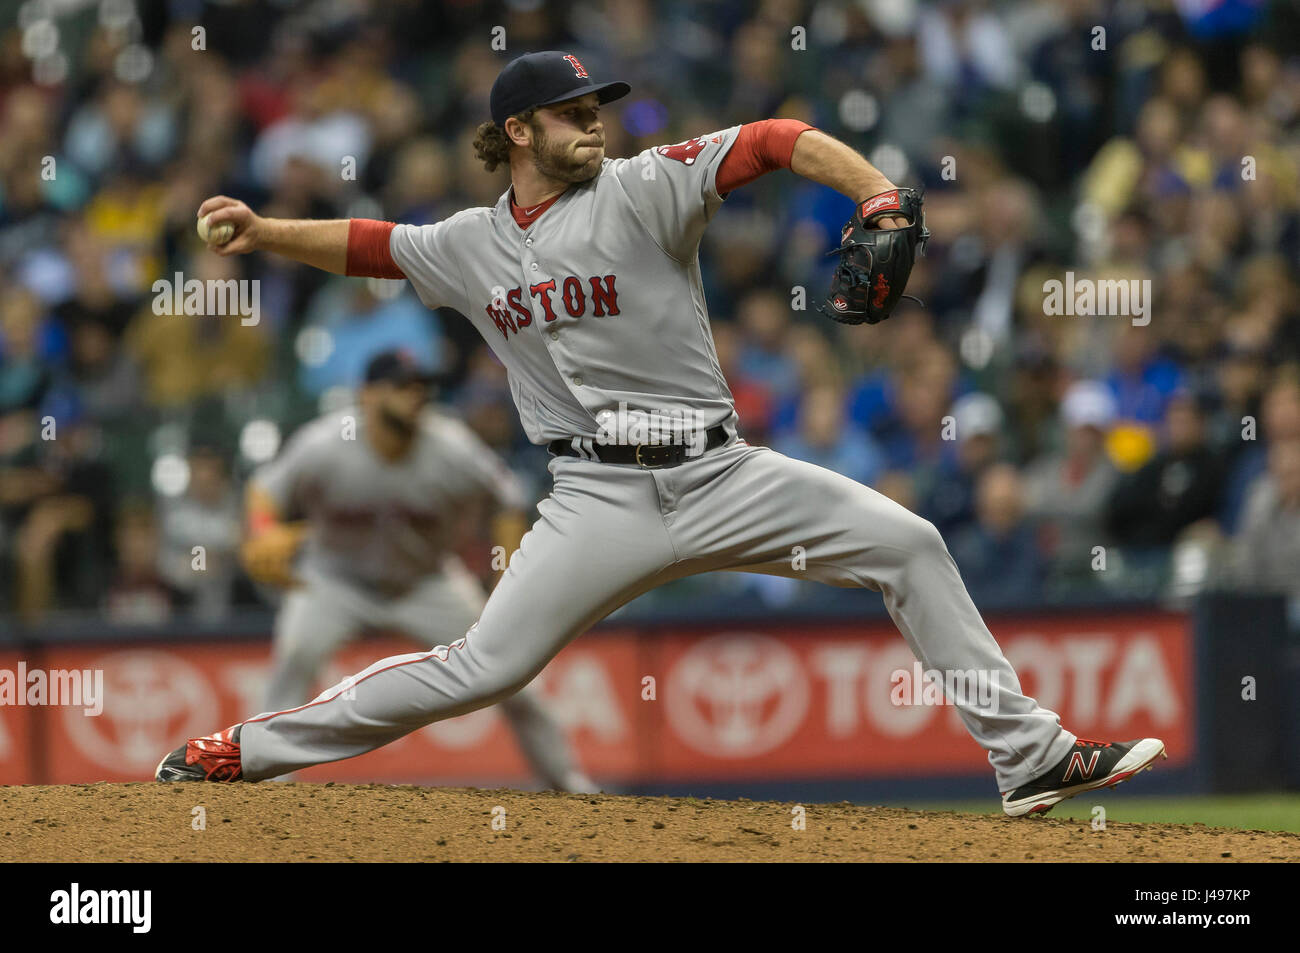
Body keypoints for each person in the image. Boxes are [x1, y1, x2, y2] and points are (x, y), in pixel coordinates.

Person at [156, 51, 1164, 817]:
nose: (595, 122)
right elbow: (373, 244)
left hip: (722, 470)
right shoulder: (469, 243)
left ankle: (1026, 755)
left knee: (910, 543)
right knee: (482, 668)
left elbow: (772, 138)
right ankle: (240, 748)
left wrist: (877, 195)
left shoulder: (643, 187)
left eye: (599, 108)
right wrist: (267, 232)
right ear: (517, 131)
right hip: (596, 499)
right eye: (572, 112)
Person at [236, 349, 595, 792]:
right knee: (293, 659)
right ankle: (263, 790)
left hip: (427, 581)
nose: (417, 395)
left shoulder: (450, 445)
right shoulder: (327, 442)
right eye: (402, 385)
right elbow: (264, 491)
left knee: (512, 671)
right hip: (334, 580)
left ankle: (568, 785)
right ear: (366, 395)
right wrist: (262, 529)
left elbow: (507, 499)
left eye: (422, 385)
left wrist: (505, 572)